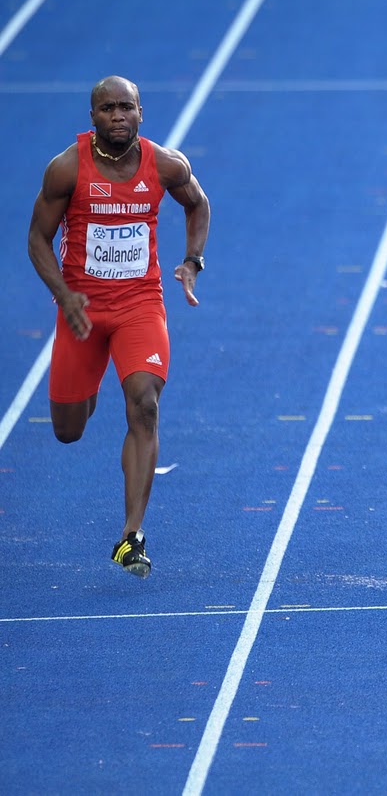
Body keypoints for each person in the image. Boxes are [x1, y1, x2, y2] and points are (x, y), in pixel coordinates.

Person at [26, 76, 211, 578]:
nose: (117, 116)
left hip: (139, 304)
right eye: (107, 109)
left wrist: (193, 260)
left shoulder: (165, 164)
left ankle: (132, 536)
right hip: (82, 309)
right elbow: (38, 238)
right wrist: (64, 295)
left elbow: (197, 203)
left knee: (145, 404)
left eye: (126, 107)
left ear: (140, 112)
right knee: (68, 430)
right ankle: (89, 385)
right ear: (93, 117)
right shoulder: (67, 168)